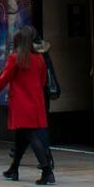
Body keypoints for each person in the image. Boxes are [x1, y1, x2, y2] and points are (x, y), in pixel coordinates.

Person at [0, 25, 55, 185]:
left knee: (30, 136)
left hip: (22, 103)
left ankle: (47, 171)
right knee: (22, 137)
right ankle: (14, 169)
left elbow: (3, 79)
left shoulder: (15, 58)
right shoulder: (39, 58)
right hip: (36, 102)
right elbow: (43, 80)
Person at [33, 31, 59, 178]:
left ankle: (47, 160)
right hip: (44, 95)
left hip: (36, 95)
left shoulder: (34, 57)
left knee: (33, 129)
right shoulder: (45, 56)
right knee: (40, 126)